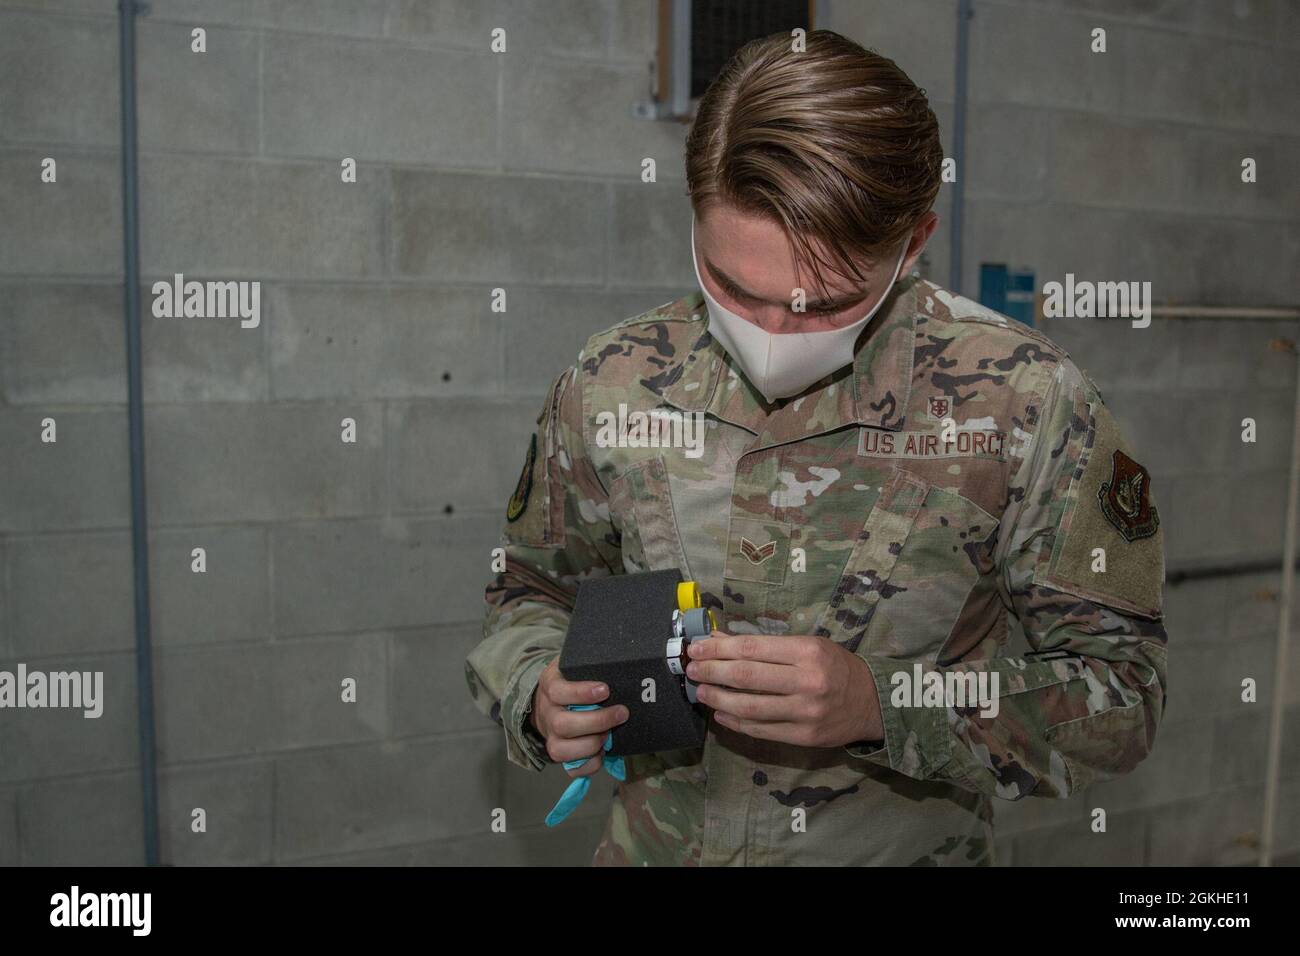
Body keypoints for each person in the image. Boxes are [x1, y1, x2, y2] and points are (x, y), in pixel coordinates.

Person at [465, 29, 1167, 866]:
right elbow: (529, 590)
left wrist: (883, 706)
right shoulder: (612, 379)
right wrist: (537, 691)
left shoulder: (1027, 402)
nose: (768, 333)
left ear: (913, 243)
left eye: (819, 303)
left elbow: (1124, 696)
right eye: (731, 287)